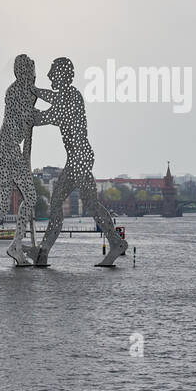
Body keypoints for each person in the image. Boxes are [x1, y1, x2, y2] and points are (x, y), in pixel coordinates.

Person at [31, 57, 127, 267]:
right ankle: (115, 242)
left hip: (79, 158)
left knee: (60, 202)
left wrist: (31, 97)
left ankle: (44, 252)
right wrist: (34, 93)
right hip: (79, 158)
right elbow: (50, 104)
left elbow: (48, 115)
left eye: (52, 73)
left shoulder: (71, 97)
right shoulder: (66, 96)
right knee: (88, 205)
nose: (48, 76)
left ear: (62, 75)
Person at [0, 54, 49, 267]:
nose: (35, 75)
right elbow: (29, 118)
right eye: (32, 71)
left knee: (3, 204)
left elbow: (28, 120)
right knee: (31, 197)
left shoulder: (15, 91)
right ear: (24, 72)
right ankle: (15, 245)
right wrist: (53, 115)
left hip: (4, 147)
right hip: (11, 149)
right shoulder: (22, 92)